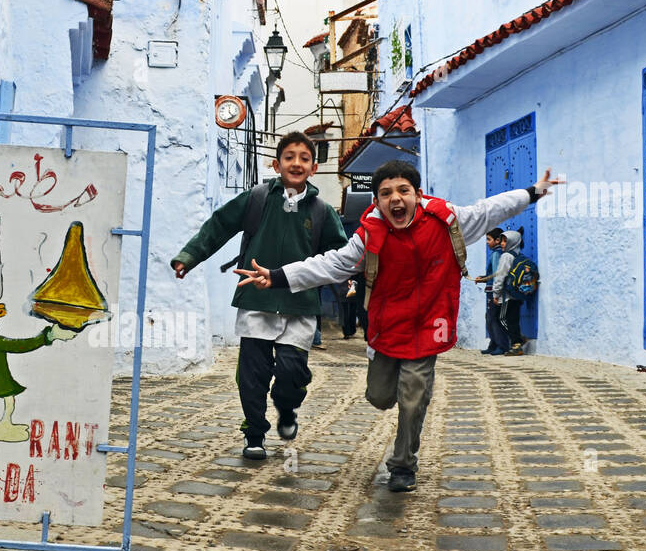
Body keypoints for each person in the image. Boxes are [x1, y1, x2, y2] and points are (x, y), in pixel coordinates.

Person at [236, 159, 561, 491]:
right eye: (386, 193)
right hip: (386, 326)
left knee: (413, 396)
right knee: (379, 396)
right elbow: (332, 264)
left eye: (403, 191)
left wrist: (533, 193)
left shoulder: (446, 220)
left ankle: (403, 465)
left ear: (417, 194)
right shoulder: (370, 234)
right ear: (377, 201)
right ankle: (392, 401)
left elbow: (490, 210)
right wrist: (276, 276)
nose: (396, 199)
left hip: (429, 323)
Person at [171, 132, 347, 460]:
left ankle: (287, 405)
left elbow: (338, 254)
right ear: (276, 163)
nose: (297, 162)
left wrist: (345, 281)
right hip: (256, 302)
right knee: (252, 376)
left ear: (314, 167)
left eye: (304, 158)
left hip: (299, 305)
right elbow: (218, 226)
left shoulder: (322, 211)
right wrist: (190, 256)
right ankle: (254, 433)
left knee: (293, 372)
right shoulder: (257, 199)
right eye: (290, 156)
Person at [474, 228, 510, 355]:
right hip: (492, 290)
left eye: (489, 240)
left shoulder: (496, 254)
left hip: (493, 292)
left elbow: (496, 275)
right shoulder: (498, 253)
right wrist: (483, 278)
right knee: (490, 318)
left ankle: (502, 345)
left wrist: (496, 293)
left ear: (497, 240)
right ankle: (494, 344)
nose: (487, 242)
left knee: (492, 318)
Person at [492, 230, 526, 356]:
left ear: (513, 242)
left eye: (505, 240)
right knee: (512, 320)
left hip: (506, 296)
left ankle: (517, 341)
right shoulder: (517, 255)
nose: (502, 243)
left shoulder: (506, 256)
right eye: (502, 240)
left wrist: (496, 294)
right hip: (517, 295)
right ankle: (518, 341)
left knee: (500, 318)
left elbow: (500, 276)